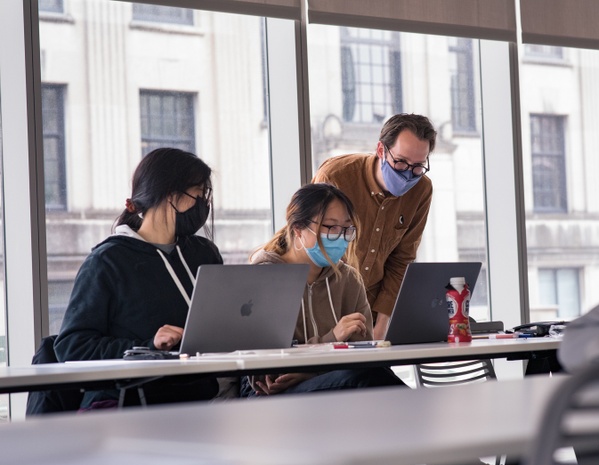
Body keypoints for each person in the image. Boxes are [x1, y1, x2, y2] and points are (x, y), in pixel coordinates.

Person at [54, 147, 222, 409]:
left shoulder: (203, 253)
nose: (203, 206)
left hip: (200, 400)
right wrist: (148, 346)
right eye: (197, 195)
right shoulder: (108, 261)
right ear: (170, 195)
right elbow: (73, 346)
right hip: (128, 404)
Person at [240, 182, 404, 396]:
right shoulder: (265, 276)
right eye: (331, 227)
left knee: (373, 373)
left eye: (347, 228)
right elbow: (264, 370)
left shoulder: (348, 279)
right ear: (298, 229)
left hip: (329, 381)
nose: (341, 236)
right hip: (271, 392)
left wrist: (313, 371)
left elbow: (363, 355)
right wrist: (332, 338)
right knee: (365, 379)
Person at [312, 113, 436, 340]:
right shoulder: (337, 176)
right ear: (381, 150)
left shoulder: (421, 191)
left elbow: (402, 260)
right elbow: (312, 245)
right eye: (400, 162)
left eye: (418, 166)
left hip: (372, 308)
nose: (408, 173)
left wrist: (382, 321)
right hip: (329, 304)